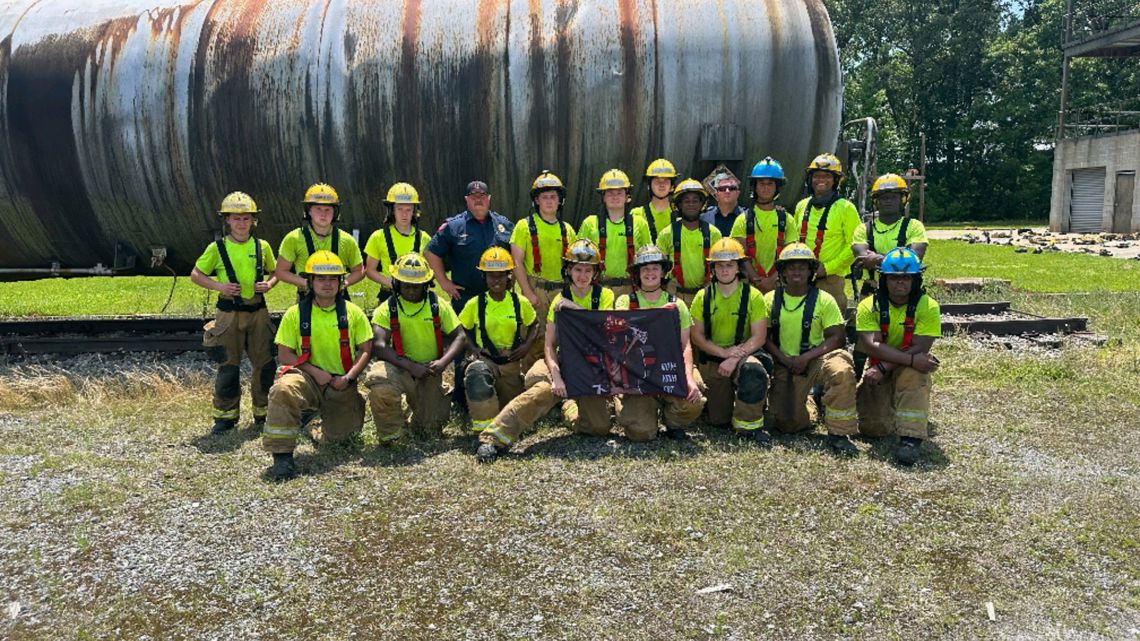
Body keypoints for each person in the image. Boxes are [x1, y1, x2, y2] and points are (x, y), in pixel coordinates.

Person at [474, 239, 616, 462]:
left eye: (588, 270)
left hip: (591, 366)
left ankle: (568, 406)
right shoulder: (560, 300)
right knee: (542, 389)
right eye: (577, 269)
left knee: (599, 427)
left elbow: (603, 332)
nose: (582, 275)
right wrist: (557, 378)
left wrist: (574, 309)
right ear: (568, 270)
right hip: (564, 362)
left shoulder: (604, 296)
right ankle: (493, 438)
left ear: (595, 272)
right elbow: (549, 345)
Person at [261, 251, 373, 481]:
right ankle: (282, 457)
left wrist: (349, 379)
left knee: (342, 439)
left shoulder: (353, 313)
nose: (327, 284)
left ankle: (312, 421)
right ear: (310, 282)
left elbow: (366, 350)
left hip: (341, 382)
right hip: (307, 376)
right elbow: (284, 354)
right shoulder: (295, 313)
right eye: (320, 278)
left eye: (333, 279)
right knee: (283, 389)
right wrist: (314, 371)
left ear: (341, 282)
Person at [190, 191, 278, 434]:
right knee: (228, 365)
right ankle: (225, 416)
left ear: (253, 220)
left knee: (265, 363)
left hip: (258, 311)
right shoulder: (217, 248)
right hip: (228, 314)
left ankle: (264, 412)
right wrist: (220, 286)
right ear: (227, 220)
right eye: (236, 218)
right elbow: (196, 274)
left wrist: (269, 284)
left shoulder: (263, 247)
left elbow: (276, 271)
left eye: (246, 218)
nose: (241, 223)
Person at [762, 244, 859, 455]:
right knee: (788, 425)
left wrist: (807, 357)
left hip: (816, 360)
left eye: (802, 267)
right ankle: (812, 402)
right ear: (783, 272)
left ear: (811, 271)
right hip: (784, 362)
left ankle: (839, 434)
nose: (797, 271)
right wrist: (784, 359)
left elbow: (838, 337)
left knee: (841, 370)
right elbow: (764, 337)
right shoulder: (770, 299)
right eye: (791, 267)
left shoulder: (825, 299)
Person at [364, 253, 467, 443]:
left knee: (427, 431)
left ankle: (416, 412)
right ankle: (392, 436)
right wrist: (410, 366)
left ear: (427, 284)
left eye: (417, 285)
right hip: (399, 367)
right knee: (380, 382)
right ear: (396, 283)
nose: (411, 290)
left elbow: (460, 336)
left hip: (429, 371)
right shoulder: (387, 308)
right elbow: (379, 345)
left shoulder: (438, 305)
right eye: (406, 285)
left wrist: (443, 363)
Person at [855, 247, 942, 466]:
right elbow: (871, 346)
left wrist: (885, 367)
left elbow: (920, 347)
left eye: (906, 278)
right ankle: (891, 407)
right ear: (884, 280)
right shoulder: (868, 306)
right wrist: (883, 367)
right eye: (893, 278)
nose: (899, 283)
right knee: (873, 429)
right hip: (879, 366)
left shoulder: (928, 306)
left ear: (916, 279)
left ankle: (910, 439)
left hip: (901, 365)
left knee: (916, 372)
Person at [614, 245, 705, 441]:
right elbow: (620, 336)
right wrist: (657, 315)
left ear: (663, 272)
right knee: (641, 434)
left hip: (669, 368)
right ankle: (623, 402)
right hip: (638, 374)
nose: (650, 273)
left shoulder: (677, 304)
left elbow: (685, 345)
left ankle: (673, 421)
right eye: (644, 268)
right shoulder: (624, 302)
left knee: (693, 399)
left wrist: (688, 378)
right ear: (637, 273)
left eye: (655, 268)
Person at [689, 238, 772, 444]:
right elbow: (697, 336)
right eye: (719, 265)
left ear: (738, 268)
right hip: (714, 359)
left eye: (730, 265)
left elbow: (759, 336)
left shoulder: (754, 296)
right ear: (713, 268)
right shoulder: (702, 297)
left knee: (753, 372)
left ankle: (749, 426)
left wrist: (735, 357)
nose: (724, 270)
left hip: (743, 356)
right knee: (719, 419)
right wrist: (723, 354)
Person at [461, 247, 539, 433]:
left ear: (508, 277)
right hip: (487, 360)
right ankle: (484, 430)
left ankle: (502, 424)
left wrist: (526, 346)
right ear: (484, 278)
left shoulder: (520, 302)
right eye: (491, 276)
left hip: (511, 364)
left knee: (513, 412)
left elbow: (534, 324)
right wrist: (473, 349)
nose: (496, 280)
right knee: (476, 372)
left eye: (501, 276)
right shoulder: (475, 304)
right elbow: (460, 329)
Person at [510, 171, 576, 369]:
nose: (549, 201)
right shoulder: (524, 226)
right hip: (536, 288)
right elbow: (517, 262)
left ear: (560, 200)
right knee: (534, 338)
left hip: (561, 290)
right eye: (544, 197)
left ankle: (558, 381)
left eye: (553, 197)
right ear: (536, 200)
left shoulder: (567, 230)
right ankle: (531, 378)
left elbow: (576, 266)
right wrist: (529, 294)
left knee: (560, 338)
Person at [425, 180, 514, 313]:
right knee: (465, 334)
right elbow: (430, 252)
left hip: (499, 296)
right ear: (466, 199)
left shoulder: (504, 224)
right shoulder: (454, 226)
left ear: (489, 198)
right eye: (473, 196)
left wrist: (513, 280)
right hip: (465, 298)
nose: (478, 200)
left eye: (482, 196)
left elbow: (518, 254)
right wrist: (444, 282)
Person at [794, 154, 861, 312]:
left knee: (830, 322)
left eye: (826, 176)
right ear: (810, 179)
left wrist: (828, 268)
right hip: (800, 274)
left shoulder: (846, 208)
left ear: (836, 181)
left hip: (830, 278)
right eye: (816, 176)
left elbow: (855, 245)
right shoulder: (802, 206)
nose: (820, 180)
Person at [274, 183, 365, 297]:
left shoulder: (347, 240)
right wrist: (307, 283)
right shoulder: (293, 238)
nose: (323, 214)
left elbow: (359, 271)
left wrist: (343, 283)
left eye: (328, 209)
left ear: (335, 212)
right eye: (318, 209)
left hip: (339, 296)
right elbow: (281, 271)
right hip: (306, 296)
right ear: (309, 211)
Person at [577, 169, 652, 298]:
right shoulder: (590, 223)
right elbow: (577, 260)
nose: (615, 196)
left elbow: (649, 260)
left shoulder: (639, 223)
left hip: (631, 289)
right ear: (603, 197)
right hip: (597, 288)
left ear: (627, 196)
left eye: (619, 192)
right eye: (610, 193)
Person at [851, 173, 929, 294]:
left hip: (907, 291)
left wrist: (878, 258)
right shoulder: (863, 229)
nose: (888, 201)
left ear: (902, 200)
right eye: (883, 198)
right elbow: (862, 259)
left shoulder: (914, 226)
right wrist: (900, 257)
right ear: (876, 201)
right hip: (873, 291)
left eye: (893, 197)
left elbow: (914, 259)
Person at [732, 156, 797, 293]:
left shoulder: (787, 219)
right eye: (761, 183)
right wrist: (756, 279)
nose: (765, 188)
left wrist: (773, 278)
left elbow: (790, 253)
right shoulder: (742, 219)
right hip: (750, 284)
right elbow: (740, 255)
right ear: (754, 187)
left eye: (770, 184)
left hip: (779, 283)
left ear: (777, 187)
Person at [655, 179, 722, 306]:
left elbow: (721, 265)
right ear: (678, 205)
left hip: (706, 295)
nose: (691, 204)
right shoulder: (667, 234)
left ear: (702, 204)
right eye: (686, 201)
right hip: (675, 295)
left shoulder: (714, 234)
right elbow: (658, 268)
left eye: (695, 201)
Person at [363, 182, 432, 304]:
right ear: (392, 210)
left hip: (417, 294)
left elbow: (432, 269)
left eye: (408, 209)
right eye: (399, 209)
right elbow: (370, 270)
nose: (404, 214)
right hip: (389, 293)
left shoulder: (424, 238)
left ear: (414, 211)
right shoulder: (378, 237)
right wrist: (390, 283)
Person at [630, 158, 678, 243]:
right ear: (649, 185)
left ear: (672, 186)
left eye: (666, 181)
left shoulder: (679, 214)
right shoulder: (637, 214)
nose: (661, 185)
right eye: (657, 181)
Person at [701, 171, 747, 237]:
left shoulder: (747, 218)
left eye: (732, 188)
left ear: (738, 193)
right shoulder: (704, 218)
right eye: (722, 189)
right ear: (716, 195)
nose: (727, 191)